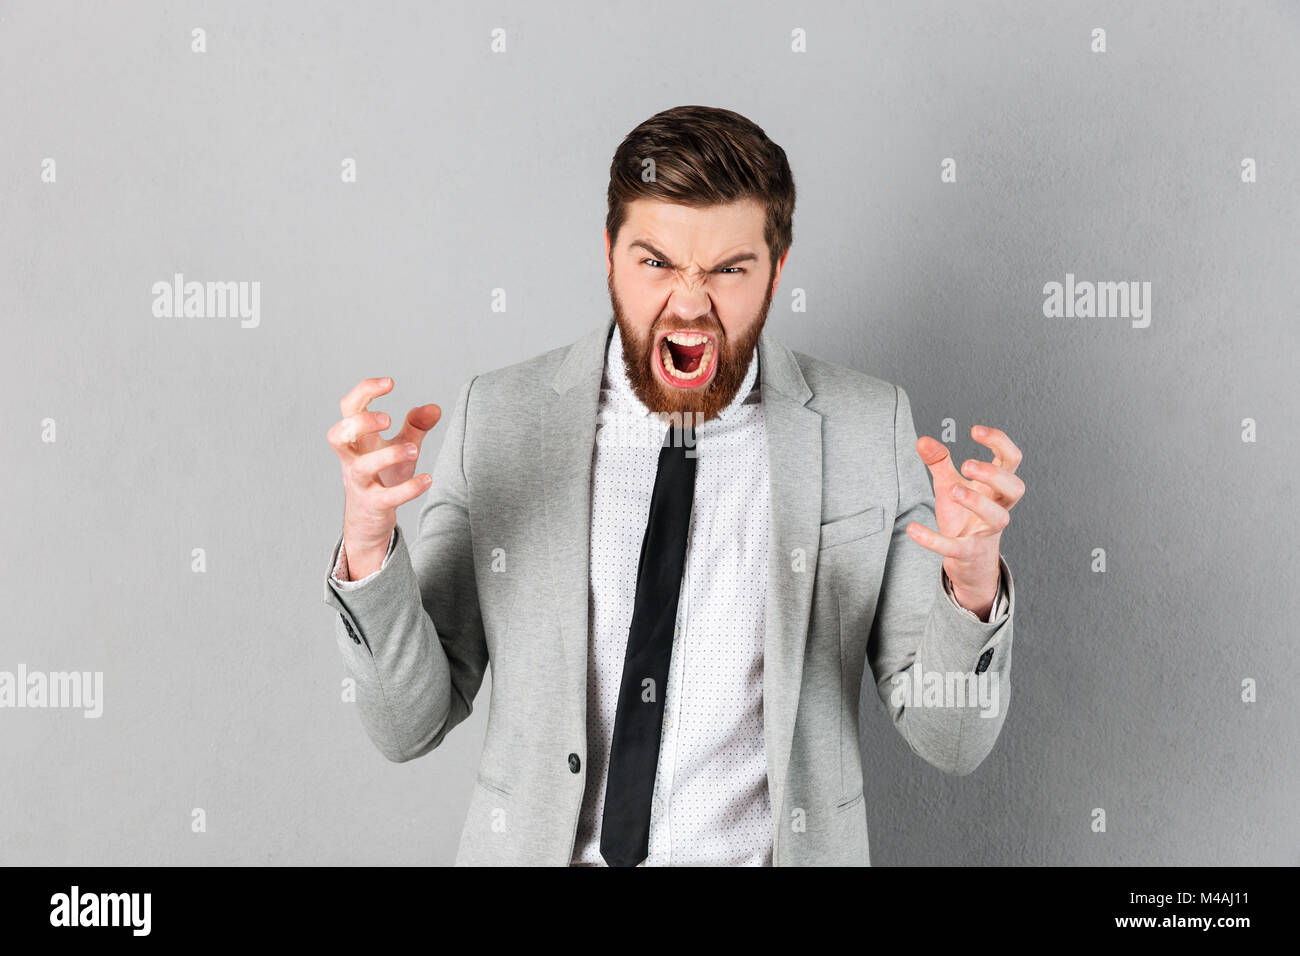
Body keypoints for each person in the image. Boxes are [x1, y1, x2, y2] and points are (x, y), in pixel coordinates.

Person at [322, 105, 1025, 866]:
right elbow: (407, 725)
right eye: (656, 262)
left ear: (776, 270)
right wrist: (367, 544)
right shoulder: (499, 417)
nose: (690, 304)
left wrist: (972, 582)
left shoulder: (868, 427)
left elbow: (951, 740)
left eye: (729, 269)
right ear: (609, 255)